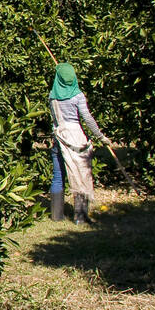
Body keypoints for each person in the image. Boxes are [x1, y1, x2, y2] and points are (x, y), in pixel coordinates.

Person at [48, 62, 109, 225]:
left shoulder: (52, 96)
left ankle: (56, 216)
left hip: (58, 138)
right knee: (81, 175)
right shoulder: (77, 96)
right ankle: (80, 217)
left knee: (58, 176)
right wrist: (100, 136)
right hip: (75, 139)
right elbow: (87, 118)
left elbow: (54, 120)